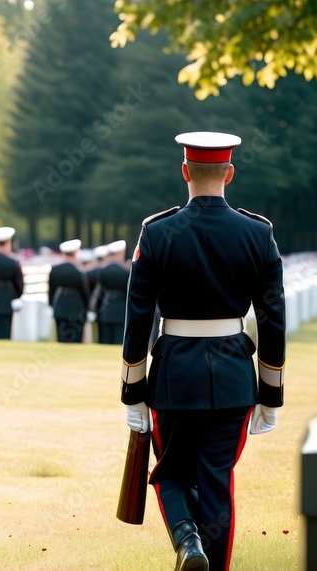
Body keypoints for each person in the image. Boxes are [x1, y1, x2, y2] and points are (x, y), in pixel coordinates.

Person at [120, 132, 285, 571]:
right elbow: (272, 319)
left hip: (174, 374)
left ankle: (188, 541)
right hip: (233, 377)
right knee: (217, 481)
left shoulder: (156, 232)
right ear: (229, 174)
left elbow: (138, 318)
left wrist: (133, 391)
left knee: (170, 472)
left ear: (184, 172)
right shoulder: (259, 232)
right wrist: (271, 395)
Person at [48, 239, 92, 343]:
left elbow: (51, 290)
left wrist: (51, 306)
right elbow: (85, 293)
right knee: (76, 338)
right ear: (76, 253)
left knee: (61, 338)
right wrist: (87, 309)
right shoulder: (80, 271)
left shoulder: (55, 270)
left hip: (60, 306)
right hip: (77, 307)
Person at [93, 240, 129, 345]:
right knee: (118, 341)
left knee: (105, 340)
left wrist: (96, 309)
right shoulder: (125, 271)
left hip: (105, 309)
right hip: (121, 309)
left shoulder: (103, 270)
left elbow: (99, 292)